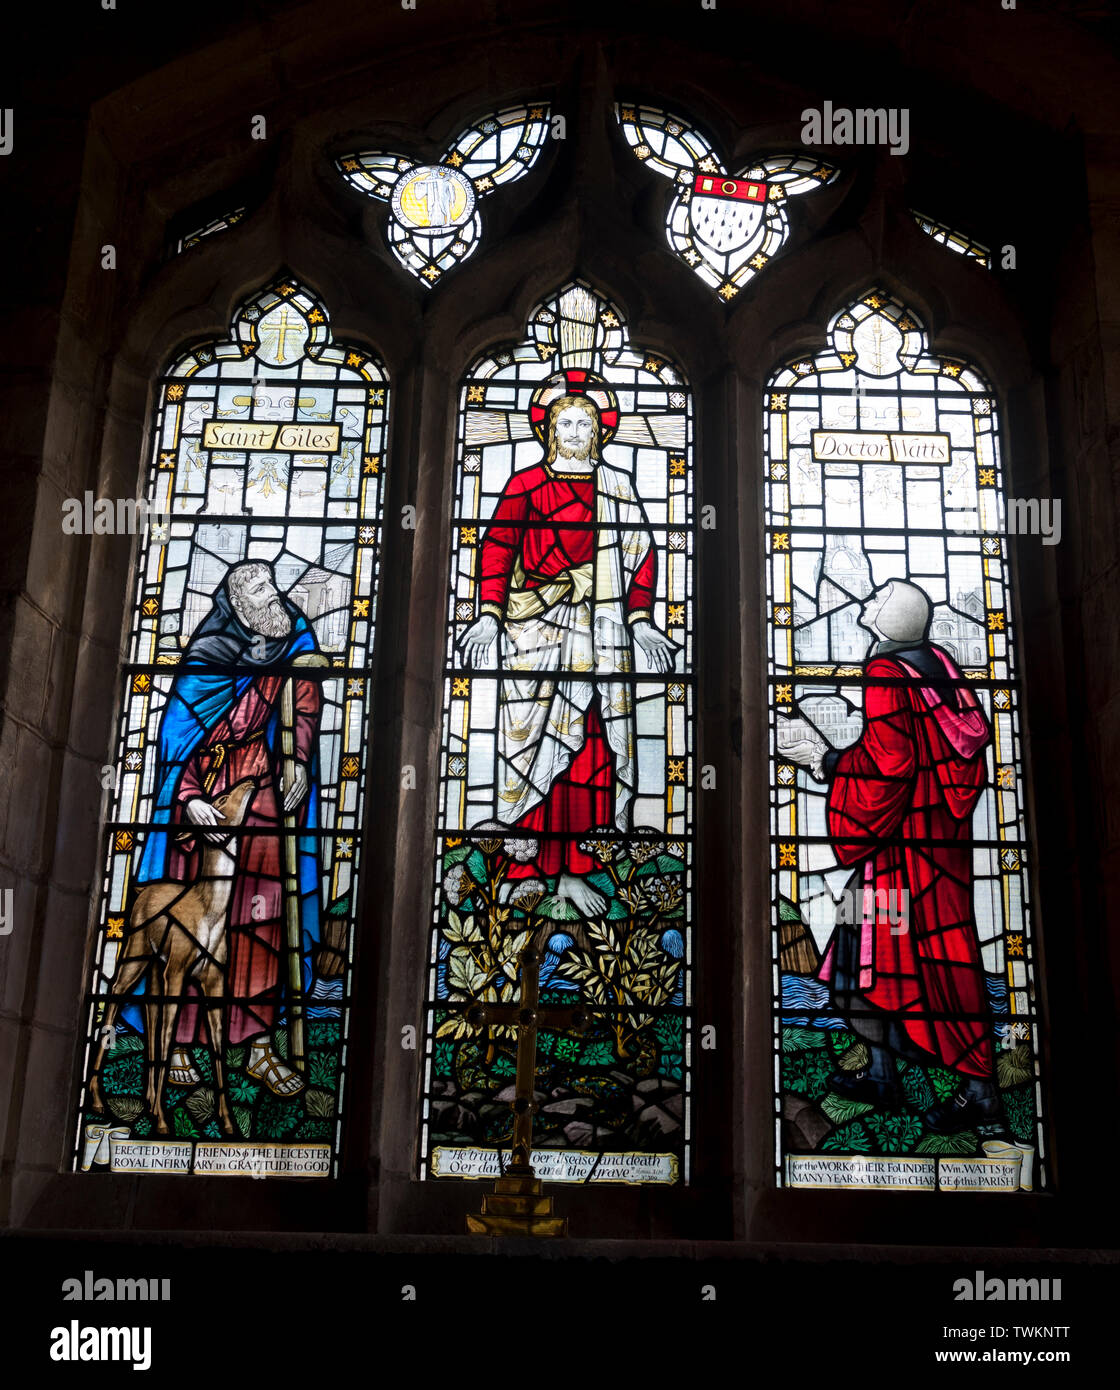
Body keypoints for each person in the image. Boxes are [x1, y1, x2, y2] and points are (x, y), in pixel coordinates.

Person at [779, 579, 1002, 1132]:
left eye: (878, 597)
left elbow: (889, 768)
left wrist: (823, 761)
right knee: (875, 952)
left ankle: (980, 1094)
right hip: (933, 849)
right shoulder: (939, 670)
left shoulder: (885, 675)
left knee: (927, 962)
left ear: (892, 619)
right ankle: (882, 1074)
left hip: (904, 857)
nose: (869, 600)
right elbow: (938, 757)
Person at [459, 393, 677, 916]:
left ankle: (579, 868)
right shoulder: (526, 484)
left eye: (587, 422)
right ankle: (530, 867)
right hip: (535, 631)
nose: (577, 431)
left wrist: (641, 618)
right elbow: (496, 549)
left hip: (601, 634)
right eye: (567, 423)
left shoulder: (617, 486)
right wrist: (489, 613)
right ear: (550, 431)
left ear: (600, 431)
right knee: (535, 751)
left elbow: (640, 557)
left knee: (591, 745)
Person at [125, 560, 330, 1097]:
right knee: (196, 926)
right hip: (214, 802)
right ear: (238, 605)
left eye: (273, 586)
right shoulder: (209, 654)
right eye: (261, 589)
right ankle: (183, 1043)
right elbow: (179, 736)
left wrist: (299, 761)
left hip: (264, 801)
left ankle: (259, 1046)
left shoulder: (295, 640)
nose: (275, 596)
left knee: (262, 923)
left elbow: (303, 712)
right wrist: (188, 800)